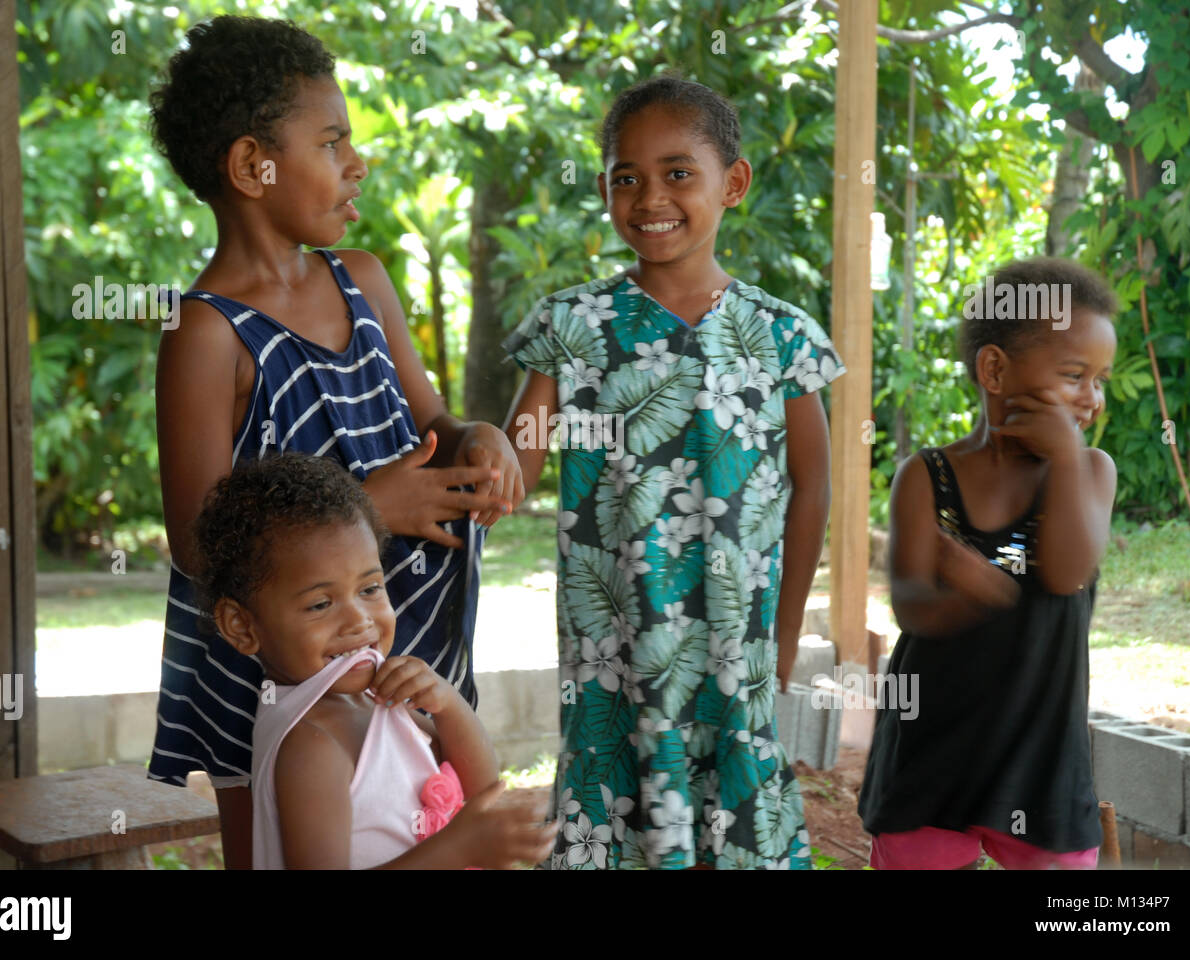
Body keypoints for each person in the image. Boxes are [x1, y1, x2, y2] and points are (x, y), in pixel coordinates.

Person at [145, 15, 523, 868]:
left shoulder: (364, 281)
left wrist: (483, 436)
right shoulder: (207, 336)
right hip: (274, 655)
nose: (358, 162)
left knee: (419, 819)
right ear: (253, 166)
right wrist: (371, 507)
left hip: (392, 624)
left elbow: (438, 423)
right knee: (282, 841)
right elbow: (195, 543)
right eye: (333, 142)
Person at [502, 73, 844, 869]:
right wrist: (473, 453)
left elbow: (812, 489)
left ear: (734, 182)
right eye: (628, 177)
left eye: (677, 172)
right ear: (604, 191)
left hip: (735, 652)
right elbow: (513, 461)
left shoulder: (781, 335)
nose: (650, 196)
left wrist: (785, 634)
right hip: (612, 657)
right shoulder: (569, 326)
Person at [858, 257, 1120, 869]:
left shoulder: (1091, 472)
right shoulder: (925, 476)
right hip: (933, 754)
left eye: (1100, 379)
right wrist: (961, 596)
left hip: (1041, 756)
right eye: (1075, 375)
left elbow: (1066, 572)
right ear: (996, 369)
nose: (1092, 398)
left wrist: (1064, 454)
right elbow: (910, 604)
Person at [190, 453, 556, 869]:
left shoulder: (375, 698)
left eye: (369, 589)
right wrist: (454, 851)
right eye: (321, 604)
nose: (359, 620)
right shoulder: (311, 745)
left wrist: (448, 704)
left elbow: (482, 784)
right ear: (241, 626)